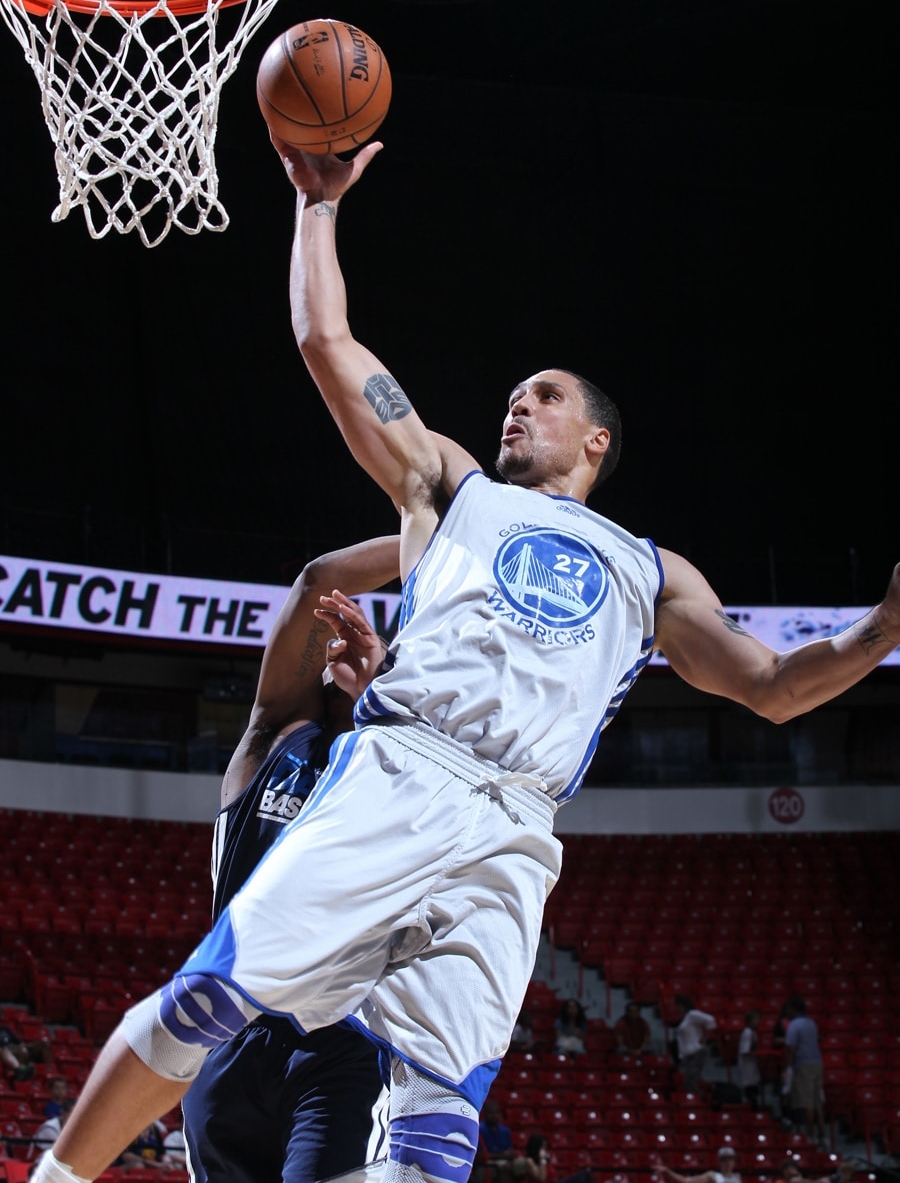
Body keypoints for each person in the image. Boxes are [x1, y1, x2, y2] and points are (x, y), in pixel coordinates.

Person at [33, 142, 900, 1183]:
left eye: (543, 396)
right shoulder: (452, 491)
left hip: (518, 829)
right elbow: (326, 340)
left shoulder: (653, 572)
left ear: (596, 440)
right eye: (513, 396)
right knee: (213, 997)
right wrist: (316, 206)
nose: (516, 406)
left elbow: (774, 689)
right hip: (409, 769)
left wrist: (884, 628)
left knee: (437, 1120)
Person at [180, 536, 400, 1183]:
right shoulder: (271, 743)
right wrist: (442, 537)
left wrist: (382, 693)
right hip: (229, 1031)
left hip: (341, 1041)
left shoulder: (404, 772)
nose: (346, 651)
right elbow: (314, 582)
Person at [782, 996, 825, 1142]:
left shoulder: (794, 1025)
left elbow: (790, 1049)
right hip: (817, 1063)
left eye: (788, 1009)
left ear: (793, 1009)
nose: (786, 1012)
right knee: (817, 1100)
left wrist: (786, 1068)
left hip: (804, 1065)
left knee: (807, 1102)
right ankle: (821, 1132)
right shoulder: (811, 1022)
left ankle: (810, 1135)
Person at [671, 996, 717, 1092]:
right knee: (688, 1081)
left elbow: (710, 1019)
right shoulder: (686, 1018)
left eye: (677, 1006)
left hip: (695, 1052)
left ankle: (698, 1099)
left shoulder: (692, 1014)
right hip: (687, 1055)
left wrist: (704, 1038)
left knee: (691, 1082)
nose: (676, 1009)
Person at [660, 1144, 741, 1183]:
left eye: (730, 1159)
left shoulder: (737, 1177)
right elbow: (686, 1181)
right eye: (724, 1160)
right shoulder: (712, 1176)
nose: (727, 1163)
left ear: (734, 1162)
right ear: (719, 1162)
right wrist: (668, 1171)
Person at [737, 1009, 761, 1108]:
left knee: (753, 1085)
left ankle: (753, 1105)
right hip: (747, 1064)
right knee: (750, 1086)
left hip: (751, 1063)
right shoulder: (748, 1033)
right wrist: (757, 1053)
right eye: (756, 1019)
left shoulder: (752, 1032)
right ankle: (751, 1106)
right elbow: (745, 1051)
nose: (758, 1021)